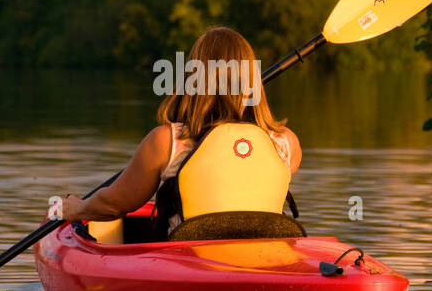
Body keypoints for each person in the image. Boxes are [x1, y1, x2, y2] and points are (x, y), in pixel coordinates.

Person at [60, 26, 302, 236]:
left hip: (189, 262)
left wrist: (78, 208)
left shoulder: (167, 142)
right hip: (266, 258)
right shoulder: (286, 144)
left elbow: (114, 205)